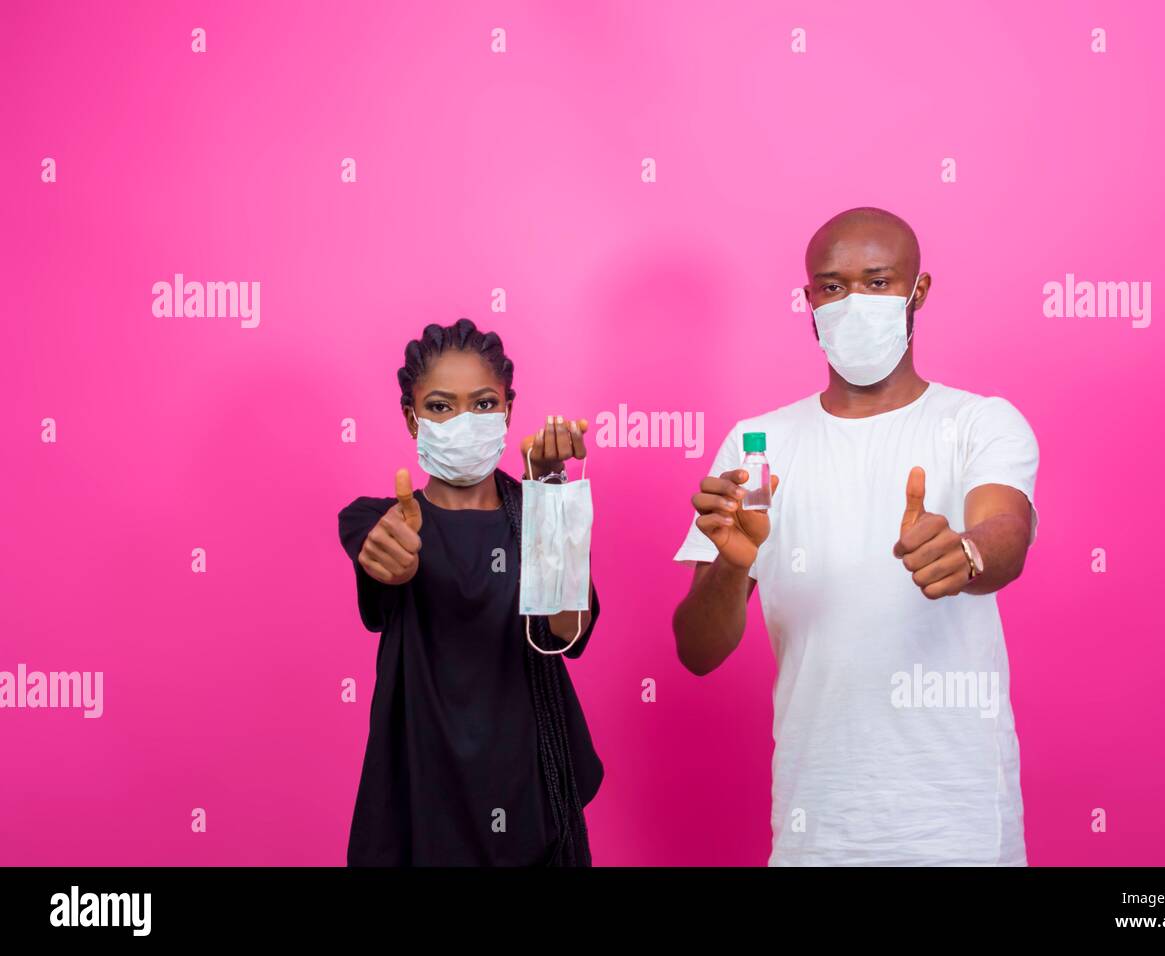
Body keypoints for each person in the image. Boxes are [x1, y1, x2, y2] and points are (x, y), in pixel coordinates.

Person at [671, 207, 1041, 866]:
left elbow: (1007, 529)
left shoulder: (979, 422)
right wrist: (733, 566)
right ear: (808, 301)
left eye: (877, 283)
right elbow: (698, 652)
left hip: (960, 826)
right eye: (833, 288)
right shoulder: (760, 447)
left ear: (917, 292)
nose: (854, 304)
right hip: (818, 827)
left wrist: (966, 552)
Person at [338, 317, 602, 866]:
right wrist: (390, 557)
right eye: (440, 406)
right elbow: (381, 558)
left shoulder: (535, 512)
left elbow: (567, 632)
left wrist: (550, 490)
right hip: (420, 809)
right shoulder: (381, 522)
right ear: (412, 419)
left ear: (508, 408)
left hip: (531, 802)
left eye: (483, 404)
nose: (463, 420)